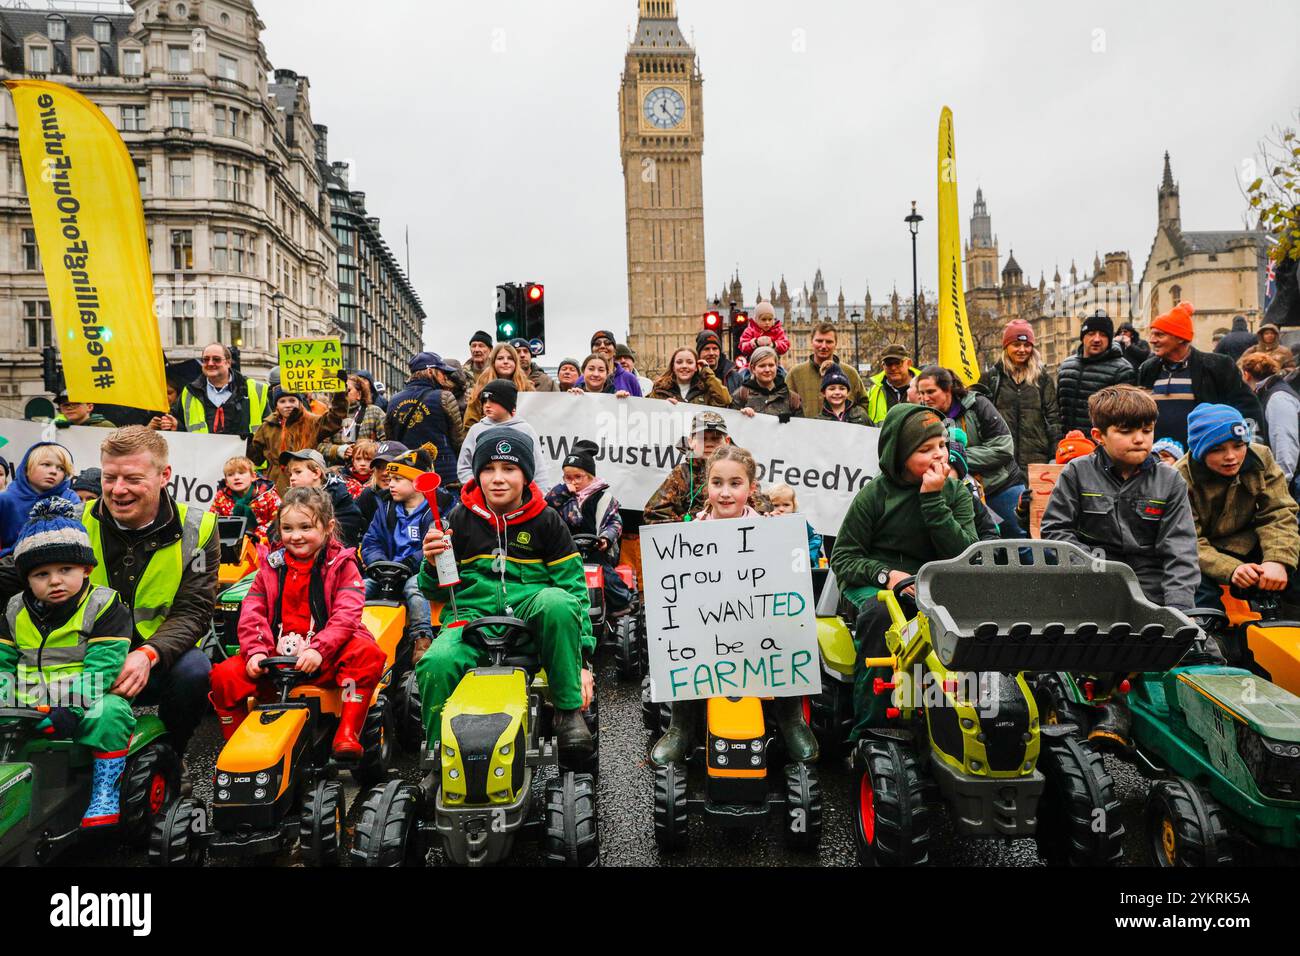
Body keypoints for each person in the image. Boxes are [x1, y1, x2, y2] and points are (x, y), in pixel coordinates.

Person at [416, 426, 594, 764]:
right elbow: (432, 589)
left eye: (509, 469)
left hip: (529, 627)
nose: (498, 478)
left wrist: (582, 662)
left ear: (525, 475)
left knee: (558, 602)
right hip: (470, 625)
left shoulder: (548, 521)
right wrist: (430, 562)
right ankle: (438, 754)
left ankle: (568, 712)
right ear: (477, 473)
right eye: (488, 469)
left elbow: (573, 588)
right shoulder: (457, 519)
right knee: (436, 663)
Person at [1040, 385, 1200, 749]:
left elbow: (1180, 549)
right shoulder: (1077, 474)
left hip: (1149, 581)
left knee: (1178, 641)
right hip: (1090, 576)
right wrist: (1093, 560)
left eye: (1146, 430)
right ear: (1099, 435)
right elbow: (1055, 532)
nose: (1139, 439)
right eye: (1126, 431)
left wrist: (1179, 611)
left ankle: (1151, 714)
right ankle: (1097, 708)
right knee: (1088, 641)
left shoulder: (1170, 480)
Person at [651, 443, 818, 766]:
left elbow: (787, 593)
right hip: (706, 634)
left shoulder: (774, 532)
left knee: (791, 629)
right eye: (717, 483)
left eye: (735, 484)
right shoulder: (688, 536)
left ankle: (790, 718)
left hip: (758, 633)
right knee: (680, 635)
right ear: (707, 487)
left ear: (751, 488)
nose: (725, 493)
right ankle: (681, 724)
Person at [831, 403, 979, 738]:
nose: (938, 455)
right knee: (883, 617)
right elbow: (844, 557)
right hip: (876, 585)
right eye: (925, 449)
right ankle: (872, 728)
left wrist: (933, 501)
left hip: (936, 585)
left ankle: (965, 718)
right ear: (900, 455)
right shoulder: (874, 495)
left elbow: (962, 554)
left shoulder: (956, 494)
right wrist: (887, 576)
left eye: (941, 445)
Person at [208, 487, 387, 758]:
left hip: (326, 656)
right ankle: (236, 748)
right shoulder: (270, 566)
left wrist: (320, 648)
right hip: (276, 658)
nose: (296, 536)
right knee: (224, 675)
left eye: (305, 527)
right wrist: (256, 652)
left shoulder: (342, 565)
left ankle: (348, 732)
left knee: (367, 655)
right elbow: (253, 611)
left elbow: (346, 615)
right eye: (288, 528)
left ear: (328, 527)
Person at [81, 426, 218, 776]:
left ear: (164, 476)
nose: (118, 489)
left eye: (132, 478)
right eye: (109, 478)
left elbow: (194, 610)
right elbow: (16, 572)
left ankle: (172, 759)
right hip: (85, 656)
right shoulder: (75, 521)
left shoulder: (198, 528)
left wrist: (147, 654)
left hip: (157, 658)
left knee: (195, 671)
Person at [1, 498, 136, 828]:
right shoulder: (14, 609)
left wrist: (70, 708)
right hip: (26, 698)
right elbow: (3, 663)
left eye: (65, 570)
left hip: (84, 696)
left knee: (110, 714)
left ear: (86, 569)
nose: (55, 581)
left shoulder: (105, 605)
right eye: (42, 574)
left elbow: (101, 667)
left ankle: (105, 790)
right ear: (27, 578)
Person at [1175, 403, 1300, 613]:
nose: (1231, 456)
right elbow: (1187, 541)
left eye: (1239, 445)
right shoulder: (1179, 478)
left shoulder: (1261, 457)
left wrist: (1277, 560)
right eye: (1217, 449)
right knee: (1192, 582)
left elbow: (1278, 513)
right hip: (1203, 554)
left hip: (1249, 541)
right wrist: (1231, 569)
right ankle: (1213, 638)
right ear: (1199, 451)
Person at [915, 365, 1024, 537]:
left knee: (1019, 546)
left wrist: (958, 457)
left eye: (930, 392)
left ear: (948, 389)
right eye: (921, 393)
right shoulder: (925, 417)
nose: (924, 398)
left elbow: (1003, 448)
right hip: (966, 496)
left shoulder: (978, 405)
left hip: (1001, 486)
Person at [1138, 301, 1264, 446]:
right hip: (1159, 459)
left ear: (1180, 338)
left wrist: (1252, 444)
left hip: (1204, 460)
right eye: (1152, 334)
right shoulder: (1148, 369)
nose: (1152, 340)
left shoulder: (1218, 366)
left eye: (1159, 335)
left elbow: (1248, 408)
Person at [360, 449, 441, 664]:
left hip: (420, 571)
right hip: (386, 571)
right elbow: (371, 541)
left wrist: (409, 563)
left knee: (415, 587)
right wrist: (377, 562)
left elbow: (432, 547)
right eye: (390, 478)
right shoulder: (385, 509)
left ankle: (422, 639)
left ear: (416, 483)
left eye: (398, 479)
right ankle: (352, 636)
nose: (390, 483)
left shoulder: (434, 510)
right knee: (359, 589)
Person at [545, 439, 632, 613]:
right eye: (568, 478)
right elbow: (547, 506)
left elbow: (614, 522)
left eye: (578, 477)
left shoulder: (604, 499)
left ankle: (622, 602)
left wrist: (606, 538)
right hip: (566, 550)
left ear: (590, 477)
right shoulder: (560, 497)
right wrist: (562, 491)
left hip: (595, 549)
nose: (573, 482)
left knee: (605, 573)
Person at [976, 320, 1061, 472]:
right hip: (1000, 461)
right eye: (1016, 345)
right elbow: (978, 421)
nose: (1022, 350)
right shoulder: (991, 379)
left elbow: (1053, 419)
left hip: (1036, 461)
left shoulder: (1043, 379)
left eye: (1027, 345)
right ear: (1006, 347)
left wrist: (1055, 455)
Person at [386, 352, 466, 489]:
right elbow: (458, 441)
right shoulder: (444, 397)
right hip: (444, 475)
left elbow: (391, 440)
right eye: (441, 372)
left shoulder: (394, 400)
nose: (445, 376)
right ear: (430, 371)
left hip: (409, 473)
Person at [250, 384, 348, 495]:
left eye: (292, 400)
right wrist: (245, 440)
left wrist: (340, 393)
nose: (288, 405)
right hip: (276, 485)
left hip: (306, 481)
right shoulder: (267, 426)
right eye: (282, 401)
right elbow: (255, 458)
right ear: (276, 405)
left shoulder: (312, 422)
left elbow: (334, 419)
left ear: (300, 402)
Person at [457, 379, 552, 488]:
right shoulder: (476, 430)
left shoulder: (525, 429)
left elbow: (539, 466)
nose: (487, 405)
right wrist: (478, 488)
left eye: (493, 401)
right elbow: (464, 466)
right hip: (484, 496)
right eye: (485, 401)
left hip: (519, 496)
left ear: (507, 403)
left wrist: (542, 493)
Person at [1055, 310, 1136, 434]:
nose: (1097, 339)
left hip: (1101, 446)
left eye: (1103, 334)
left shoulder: (1123, 370)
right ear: (1083, 337)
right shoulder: (1066, 366)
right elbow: (1057, 412)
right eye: (1091, 333)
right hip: (1067, 445)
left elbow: (1125, 417)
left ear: (1110, 339)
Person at [172, 343, 268, 446]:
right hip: (204, 458)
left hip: (245, 460)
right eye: (206, 359)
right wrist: (176, 425)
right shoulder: (190, 392)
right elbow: (181, 427)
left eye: (216, 359)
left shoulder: (255, 390)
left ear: (228, 362)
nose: (210, 363)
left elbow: (270, 430)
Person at [644, 410, 730, 525]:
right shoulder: (681, 473)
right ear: (690, 442)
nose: (709, 444)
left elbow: (759, 511)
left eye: (716, 439)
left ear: (727, 441)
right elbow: (653, 514)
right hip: (692, 540)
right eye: (702, 438)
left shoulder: (740, 472)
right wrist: (692, 522)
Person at [0, 442, 79, 555]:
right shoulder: (5, 499)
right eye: (46, 464)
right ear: (27, 469)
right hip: (10, 565)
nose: (53, 471)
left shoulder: (69, 498)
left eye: (61, 468)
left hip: (57, 560)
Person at [279, 449, 366, 548]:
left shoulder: (340, 500)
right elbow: (274, 534)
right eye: (290, 474)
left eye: (298, 472)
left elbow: (344, 541)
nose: (292, 478)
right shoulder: (290, 501)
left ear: (316, 473)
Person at [1239, 352, 1300, 490]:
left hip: (1291, 481)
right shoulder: (1269, 393)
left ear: (1246, 374)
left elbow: (1284, 441)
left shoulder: (1278, 397)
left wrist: (1281, 482)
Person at [788, 322, 868, 418]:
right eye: (819, 341)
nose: (824, 346)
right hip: (807, 431)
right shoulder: (796, 373)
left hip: (842, 430)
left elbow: (863, 402)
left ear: (836, 344)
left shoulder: (850, 373)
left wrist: (852, 418)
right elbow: (784, 402)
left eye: (829, 342)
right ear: (811, 342)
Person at [210, 456, 281, 545]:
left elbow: (278, 520)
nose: (236, 477)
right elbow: (213, 522)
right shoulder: (221, 497)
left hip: (263, 543)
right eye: (231, 474)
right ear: (226, 482)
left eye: (241, 473)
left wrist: (255, 536)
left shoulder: (268, 495)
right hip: (229, 544)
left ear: (253, 477)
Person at [318, 373, 386, 466]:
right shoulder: (329, 416)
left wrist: (365, 450)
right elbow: (319, 446)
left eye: (347, 390)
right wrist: (338, 450)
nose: (341, 393)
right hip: (338, 471)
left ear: (359, 394)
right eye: (338, 390)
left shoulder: (375, 412)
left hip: (368, 469)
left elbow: (387, 442)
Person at [462, 344, 535, 430]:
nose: (505, 361)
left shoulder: (527, 387)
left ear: (516, 362)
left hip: (520, 438)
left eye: (510, 358)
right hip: (488, 438)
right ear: (493, 362)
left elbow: (535, 418)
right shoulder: (481, 386)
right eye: (500, 358)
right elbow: (470, 422)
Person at [731, 346, 801, 419]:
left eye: (771, 365)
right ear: (753, 368)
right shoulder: (741, 395)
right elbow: (731, 424)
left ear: (776, 366)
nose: (767, 370)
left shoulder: (792, 398)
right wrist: (742, 416)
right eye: (762, 366)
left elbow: (801, 427)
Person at [650, 346, 731, 407]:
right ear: (673, 367)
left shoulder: (706, 390)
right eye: (679, 362)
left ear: (696, 367)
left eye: (689, 362)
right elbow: (647, 412)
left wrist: (707, 372)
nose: (684, 366)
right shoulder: (659, 390)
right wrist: (662, 406)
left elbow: (725, 400)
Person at [767, 483, 822, 565]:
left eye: (786, 505)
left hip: (800, 565)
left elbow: (814, 539)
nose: (781, 509)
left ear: (793, 505)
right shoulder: (767, 522)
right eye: (776, 505)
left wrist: (808, 556)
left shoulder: (799, 522)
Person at [866, 344, 918, 424]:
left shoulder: (924, 389)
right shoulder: (873, 392)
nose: (893, 368)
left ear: (909, 363)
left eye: (898, 363)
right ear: (883, 366)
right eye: (888, 364)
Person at [588, 330, 644, 396]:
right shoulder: (582, 380)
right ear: (592, 351)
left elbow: (638, 405)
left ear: (614, 351)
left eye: (608, 343)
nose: (602, 346)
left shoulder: (629, 379)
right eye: (597, 344)